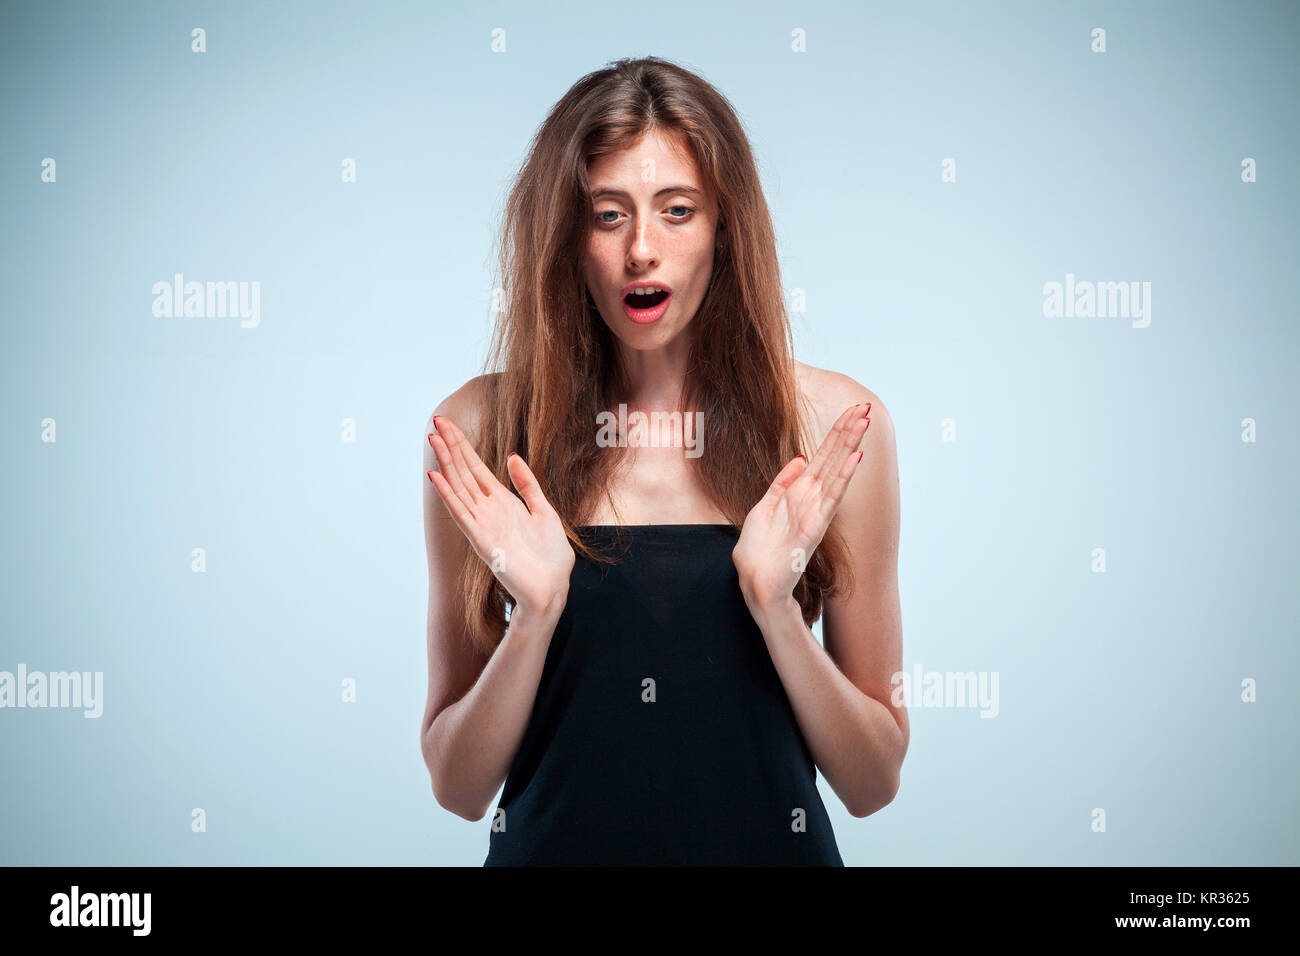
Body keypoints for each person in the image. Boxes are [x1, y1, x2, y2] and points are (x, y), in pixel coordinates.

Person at [420, 56, 906, 865]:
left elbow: (872, 781)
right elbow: (458, 787)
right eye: (608, 216)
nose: (642, 248)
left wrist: (773, 604)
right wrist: (534, 616)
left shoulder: (834, 428)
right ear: (567, 240)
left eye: (677, 211)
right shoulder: (481, 426)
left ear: (725, 224)